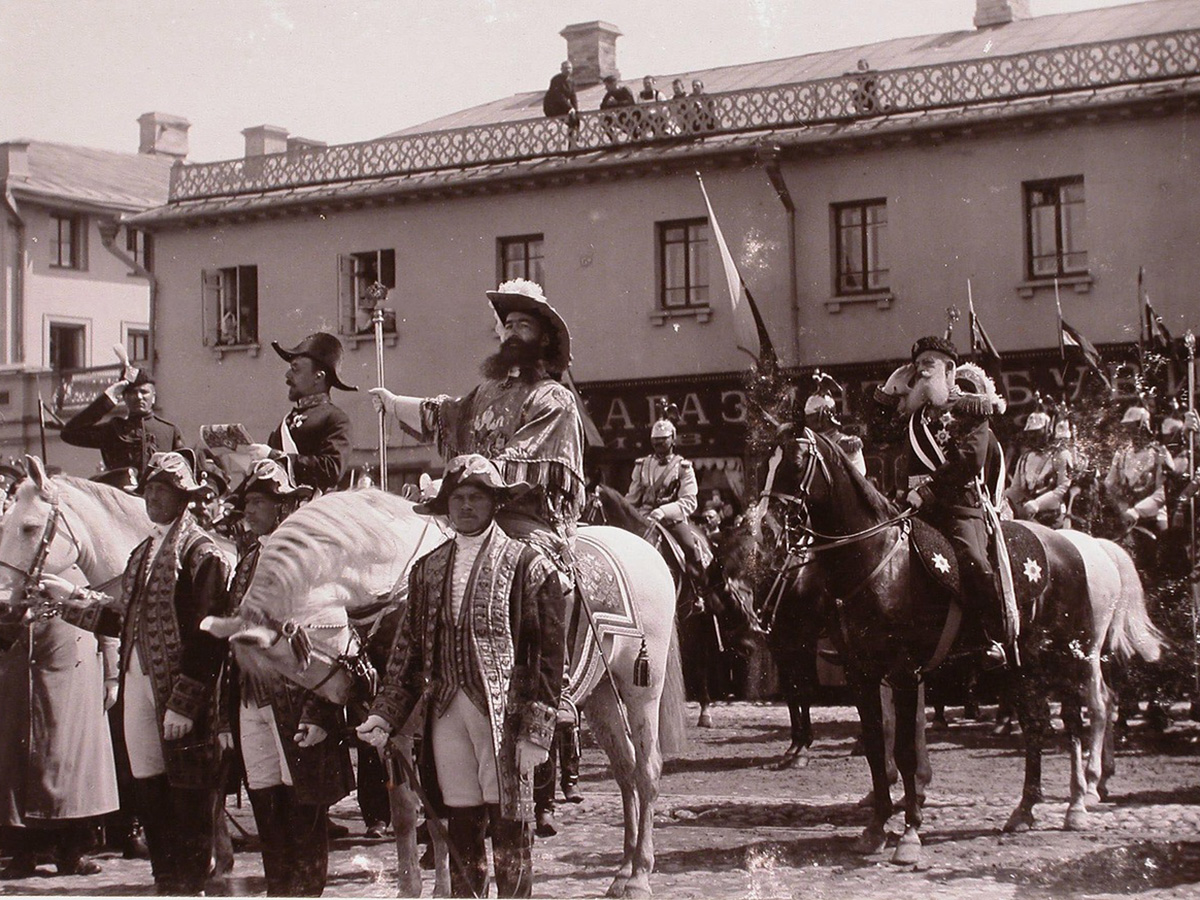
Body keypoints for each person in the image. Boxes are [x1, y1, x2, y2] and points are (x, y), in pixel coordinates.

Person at [356, 455, 565, 899]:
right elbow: (407, 651)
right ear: (445, 506)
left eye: (476, 497)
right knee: (460, 817)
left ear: (494, 504)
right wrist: (385, 714)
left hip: (503, 717)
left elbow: (547, 656)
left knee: (509, 821)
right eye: (458, 498)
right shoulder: (427, 570)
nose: (466, 506)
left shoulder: (530, 566)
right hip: (446, 710)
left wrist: (537, 731)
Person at [39, 450, 233, 895]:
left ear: (184, 497)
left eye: (161, 490)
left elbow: (208, 636)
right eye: (148, 489)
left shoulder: (202, 553)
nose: (151, 498)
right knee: (149, 785)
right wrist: (69, 599)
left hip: (177, 690)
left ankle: (193, 882)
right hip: (139, 682)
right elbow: (124, 620)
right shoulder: (144, 552)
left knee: (188, 790)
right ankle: (167, 880)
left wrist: (186, 702)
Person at [219, 459, 354, 896]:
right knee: (264, 796)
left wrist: (319, 710)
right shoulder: (248, 560)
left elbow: (332, 639)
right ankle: (279, 887)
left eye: (261, 501)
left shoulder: (308, 560)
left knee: (303, 801)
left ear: (284, 508)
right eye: (249, 501)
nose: (251, 509)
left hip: (295, 700)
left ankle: (305, 889)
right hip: (250, 699)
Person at [369, 278, 585, 548]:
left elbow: (522, 463)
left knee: (530, 571)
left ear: (543, 339)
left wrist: (452, 485)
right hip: (469, 516)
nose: (513, 332)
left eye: (524, 325)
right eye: (508, 326)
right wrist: (394, 403)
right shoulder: (486, 392)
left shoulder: (554, 398)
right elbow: (444, 414)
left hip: (525, 523)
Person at [873, 336, 1012, 666]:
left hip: (956, 508)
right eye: (917, 365)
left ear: (949, 369)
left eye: (928, 365)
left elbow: (969, 462)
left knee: (974, 562)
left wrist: (927, 492)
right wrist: (887, 391)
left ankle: (990, 637)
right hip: (912, 509)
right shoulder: (913, 416)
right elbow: (877, 435)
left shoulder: (970, 409)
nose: (921, 372)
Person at [248, 332, 357, 493]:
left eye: (295, 369)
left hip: (314, 512)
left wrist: (274, 456)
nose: (287, 375)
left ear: (318, 377)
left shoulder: (335, 419)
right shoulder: (286, 423)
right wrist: (233, 501)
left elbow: (330, 471)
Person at [61, 369, 184, 476]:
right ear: (124, 397)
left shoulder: (169, 431)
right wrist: (107, 399)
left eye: (144, 392)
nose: (139, 397)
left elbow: (182, 470)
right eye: (132, 392)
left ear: (154, 397)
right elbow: (69, 433)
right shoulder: (113, 430)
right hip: (119, 498)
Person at [1005, 401, 1073, 527]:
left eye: (1037, 432)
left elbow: (1063, 489)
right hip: (1028, 517)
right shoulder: (1025, 457)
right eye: (1030, 432)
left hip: (1052, 519)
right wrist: (1002, 498)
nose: (1032, 436)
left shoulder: (1061, 455)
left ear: (1048, 430)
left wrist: (1038, 504)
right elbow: (1016, 488)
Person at [542, 60, 580, 144]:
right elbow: (558, 96)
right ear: (561, 69)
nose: (568, 70)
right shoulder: (556, 80)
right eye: (565, 68)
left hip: (563, 106)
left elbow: (573, 96)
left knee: (576, 118)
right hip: (552, 107)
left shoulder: (571, 81)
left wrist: (575, 109)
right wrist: (570, 108)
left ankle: (575, 141)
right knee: (570, 121)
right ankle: (571, 144)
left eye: (569, 68)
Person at [600, 73, 637, 142]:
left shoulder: (625, 90)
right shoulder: (609, 94)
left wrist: (617, 103)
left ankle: (635, 134)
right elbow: (602, 107)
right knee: (604, 121)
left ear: (613, 83)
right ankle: (614, 140)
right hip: (616, 117)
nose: (606, 88)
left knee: (628, 122)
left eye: (607, 86)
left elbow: (631, 103)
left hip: (628, 115)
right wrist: (607, 104)